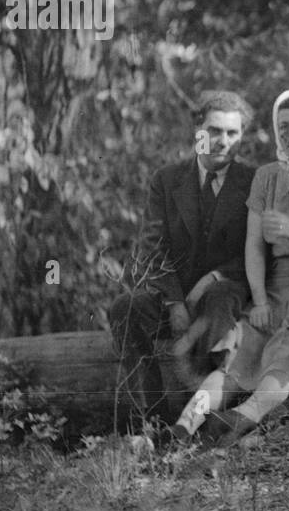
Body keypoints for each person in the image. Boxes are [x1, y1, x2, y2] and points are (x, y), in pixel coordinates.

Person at [170, 87, 289, 447]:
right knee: (240, 354)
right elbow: (254, 245)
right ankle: (185, 424)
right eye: (284, 127)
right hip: (273, 284)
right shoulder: (266, 176)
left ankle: (234, 422)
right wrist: (261, 299)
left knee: (284, 352)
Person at [108, 91, 256, 432]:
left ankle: (208, 422)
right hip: (175, 295)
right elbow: (152, 247)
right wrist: (174, 301)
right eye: (215, 130)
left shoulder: (253, 182)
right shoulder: (168, 180)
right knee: (124, 308)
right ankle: (150, 422)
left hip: (226, 299)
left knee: (220, 302)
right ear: (197, 130)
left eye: (232, 133)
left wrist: (214, 277)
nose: (223, 141)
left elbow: (257, 249)